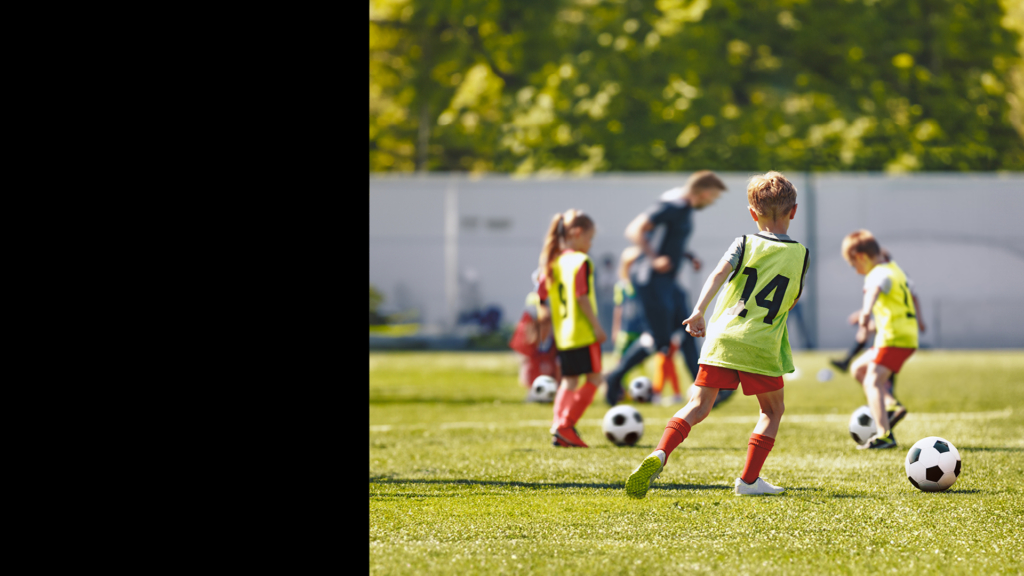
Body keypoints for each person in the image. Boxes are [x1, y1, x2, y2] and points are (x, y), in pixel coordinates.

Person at [626, 171, 809, 498]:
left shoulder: (743, 242)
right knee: (771, 411)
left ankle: (660, 453)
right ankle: (749, 481)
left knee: (697, 405)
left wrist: (698, 311)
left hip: (723, 337)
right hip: (761, 343)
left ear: (752, 213)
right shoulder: (801, 255)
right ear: (793, 211)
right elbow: (791, 299)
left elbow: (717, 275)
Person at [604, 171, 728, 407]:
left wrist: (688, 256)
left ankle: (707, 389)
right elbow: (634, 230)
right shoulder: (673, 206)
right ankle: (614, 377)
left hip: (667, 283)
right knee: (658, 339)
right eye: (712, 196)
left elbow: (668, 240)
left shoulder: (684, 208)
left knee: (690, 329)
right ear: (703, 192)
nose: (712, 202)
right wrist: (654, 258)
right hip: (650, 279)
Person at [841, 231, 919, 449]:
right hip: (903, 336)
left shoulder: (876, 274)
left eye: (853, 264)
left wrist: (865, 314)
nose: (855, 270)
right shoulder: (894, 269)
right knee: (858, 368)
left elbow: (872, 292)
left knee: (871, 381)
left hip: (894, 339)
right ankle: (891, 405)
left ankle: (885, 435)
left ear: (861, 257)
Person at [535, 209, 606, 447]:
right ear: (576, 233)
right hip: (583, 332)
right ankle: (566, 425)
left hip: (564, 334)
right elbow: (581, 297)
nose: (590, 243)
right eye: (589, 238)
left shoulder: (553, 262)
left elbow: (541, 295)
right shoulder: (580, 261)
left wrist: (544, 317)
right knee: (595, 378)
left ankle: (559, 427)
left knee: (569, 380)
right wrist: (597, 328)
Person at [830, 248, 925, 374]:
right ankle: (848, 361)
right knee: (867, 334)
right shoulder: (898, 274)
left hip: (895, 324)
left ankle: (848, 361)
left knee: (878, 372)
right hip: (897, 322)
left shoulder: (884, 274)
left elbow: (876, 293)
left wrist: (865, 313)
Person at [508, 269, 560, 389]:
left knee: (552, 360)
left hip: (546, 335)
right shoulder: (536, 298)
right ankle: (531, 384)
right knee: (530, 360)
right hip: (534, 333)